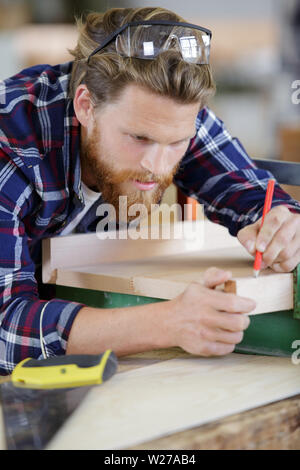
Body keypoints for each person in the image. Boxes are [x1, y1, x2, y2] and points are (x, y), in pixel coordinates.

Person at [0, 7, 299, 375]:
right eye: (138, 139)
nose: (157, 167)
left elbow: (253, 194)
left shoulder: (165, 115)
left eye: (177, 142)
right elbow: (7, 329)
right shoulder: (12, 145)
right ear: (85, 106)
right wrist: (167, 323)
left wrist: (284, 228)